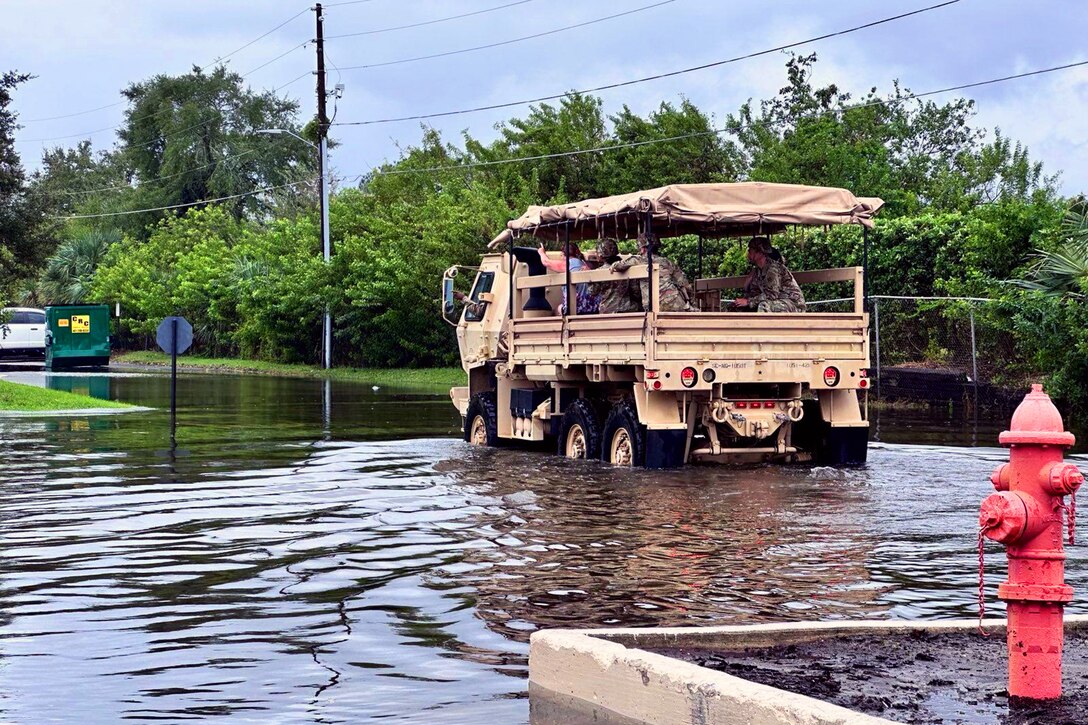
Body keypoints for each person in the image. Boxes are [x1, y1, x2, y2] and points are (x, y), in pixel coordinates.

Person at [609, 233, 696, 312]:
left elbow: (618, 267)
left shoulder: (637, 260)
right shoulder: (668, 262)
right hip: (675, 302)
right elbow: (685, 285)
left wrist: (615, 264)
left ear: (643, 249)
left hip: (652, 306)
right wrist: (693, 304)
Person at [732, 236, 805, 313]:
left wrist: (748, 302)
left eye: (751, 249)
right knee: (736, 308)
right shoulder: (758, 271)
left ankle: (762, 325)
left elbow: (771, 295)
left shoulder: (773, 269)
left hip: (793, 304)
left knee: (764, 306)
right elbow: (755, 292)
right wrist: (743, 300)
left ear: (760, 252)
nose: (748, 251)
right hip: (776, 302)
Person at [537, 242, 597, 314]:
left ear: (562, 254)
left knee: (557, 310)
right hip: (591, 306)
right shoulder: (584, 263)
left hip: (577, 307)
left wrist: (541, 252)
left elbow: (546, 262)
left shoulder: (569, 264)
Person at [588, 238, 641, 313]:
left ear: (600, 255)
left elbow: (592, 292)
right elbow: (636, 292)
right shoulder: (627, 268)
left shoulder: (598, 272)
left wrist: (589, 279)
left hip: (607, 310)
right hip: (628, 309)